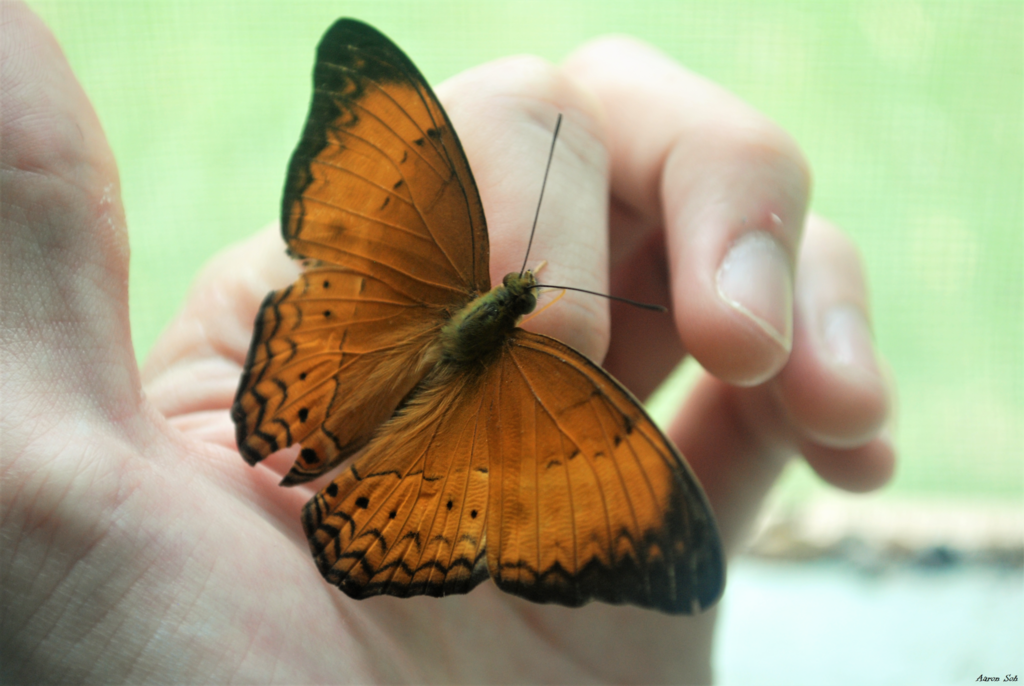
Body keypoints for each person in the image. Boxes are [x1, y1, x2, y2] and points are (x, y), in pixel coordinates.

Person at [1, 2, 893, 683]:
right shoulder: (548, 361)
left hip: (340, 346)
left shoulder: (477, 271)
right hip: (418, 493)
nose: (521, 290)